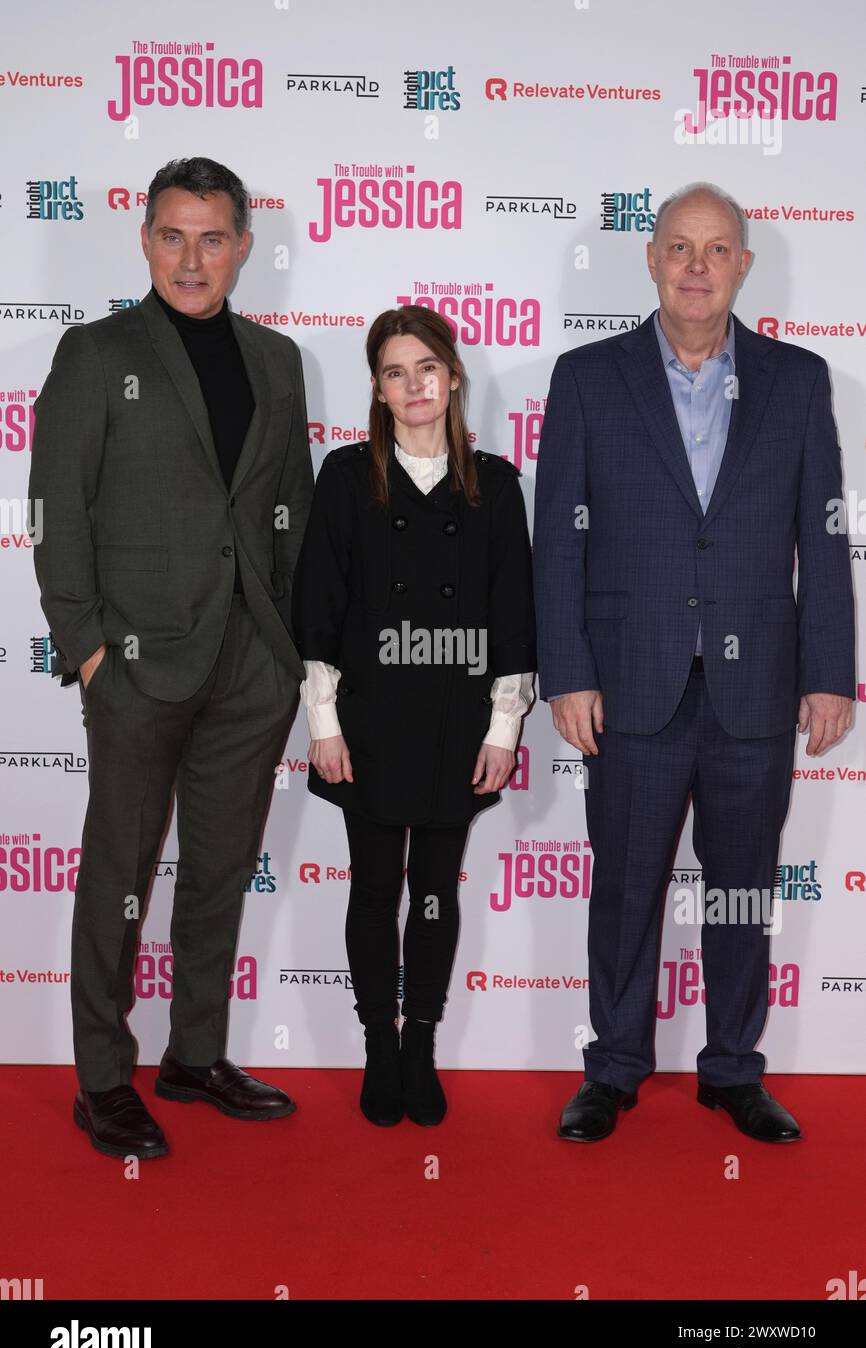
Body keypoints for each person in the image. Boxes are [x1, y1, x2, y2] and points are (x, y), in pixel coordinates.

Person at [533, 181, 855, 1144]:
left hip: (757, 688)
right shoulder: (587, 378)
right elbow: (558, 544)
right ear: (651, 259)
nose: (698, 267)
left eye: (717, 250)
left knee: (743, 887)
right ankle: (614, 1068)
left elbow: (823, 540)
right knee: (626, 885)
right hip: (630, 683)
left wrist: (829, 672)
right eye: (680, 246)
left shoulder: (799, 381)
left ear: (743, 266)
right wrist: (567, 671)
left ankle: (733, 1070)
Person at [28, 156, 314, 1161]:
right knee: (120, 872)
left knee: (220, 872)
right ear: (145, 240)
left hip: (251, 666)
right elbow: (56, 512)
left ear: (243, 246)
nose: (192, 259)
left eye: (212, 238)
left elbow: (291, 511)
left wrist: (290, 651)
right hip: (137, 666)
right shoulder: (96, 353)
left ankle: (195, 1055)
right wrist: (88, 652)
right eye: (172, 236)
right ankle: (103, 1079)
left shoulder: (277, 361)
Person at [291, 305, 536, 1126]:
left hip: (456, 721)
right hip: (367, 717)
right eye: (395, 373)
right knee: (372, 887)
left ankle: (421, 1043)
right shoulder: (346, 475)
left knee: (434, 889)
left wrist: (503, 729)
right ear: (377, 388)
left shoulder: (494, 484)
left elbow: (513, 616)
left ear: (453, 375)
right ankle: (377, 1046)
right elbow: (318, 605)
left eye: (426, 368)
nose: (413, 385)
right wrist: (323, 721)